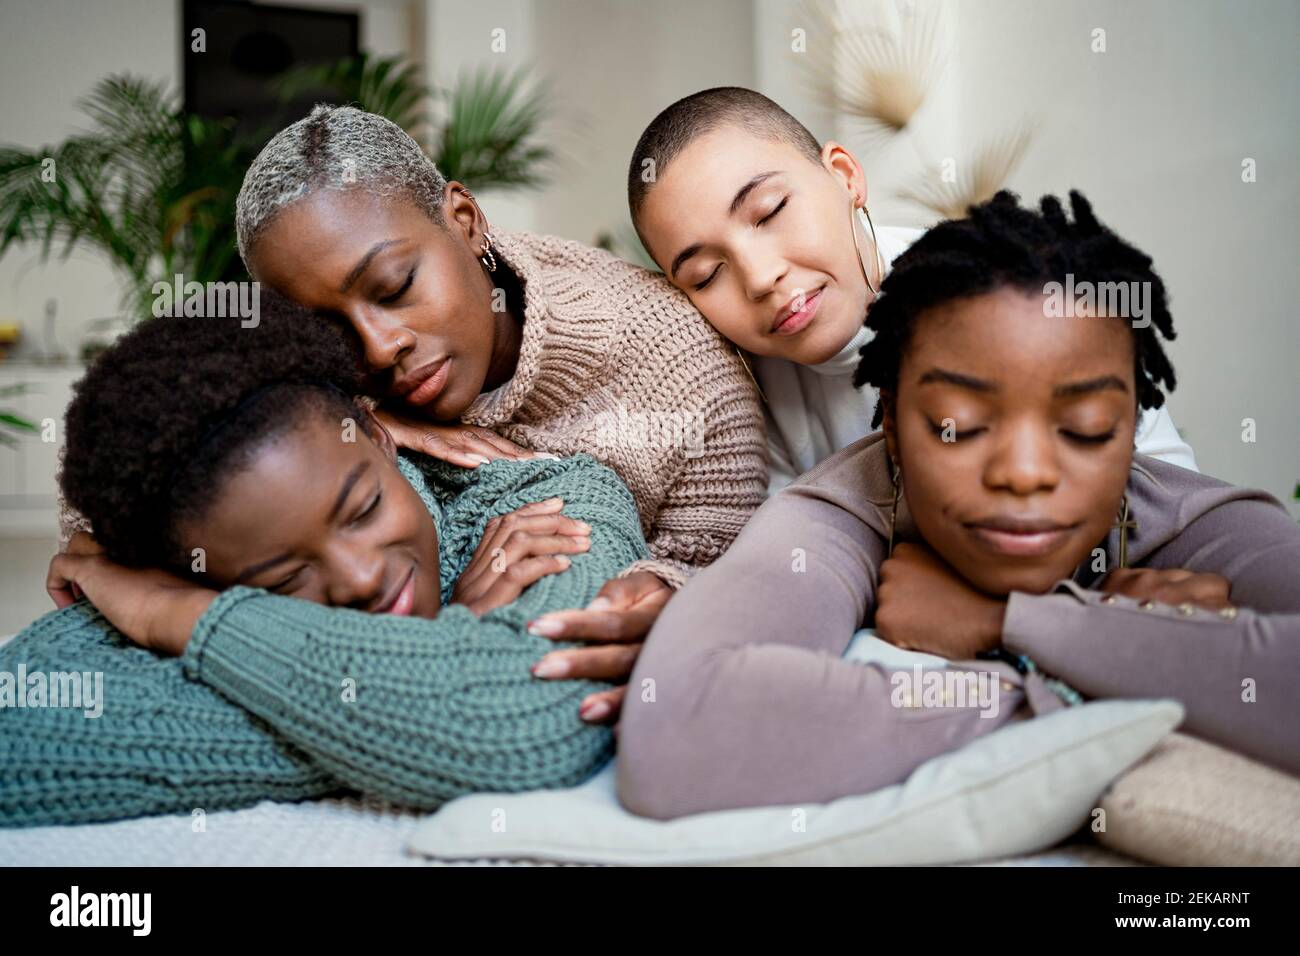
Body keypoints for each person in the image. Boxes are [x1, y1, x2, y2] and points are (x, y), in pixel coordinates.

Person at [617, 190, 1300, 820]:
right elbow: (683, 729)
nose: (1024, 474)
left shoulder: (1186, 514)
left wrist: (1005, 625)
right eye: (958, 424)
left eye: (1087, 427)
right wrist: (1073, 692)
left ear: (1132, 425)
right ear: (890, 420)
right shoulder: (843, 508)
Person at [3, 296, 649, 827]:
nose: (362, 577)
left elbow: (529, 722)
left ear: (377, 437)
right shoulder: (161, 573)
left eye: (363, 508)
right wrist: (440, 662)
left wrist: (186, 618)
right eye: (281, 582)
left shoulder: (549, 501)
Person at [627, 87, 1198, 495]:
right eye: (706, 274)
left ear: (845, 177)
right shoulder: (738, 390)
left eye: (770, 211)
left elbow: (1175, 495)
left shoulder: (1012, 286)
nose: (758, 278)